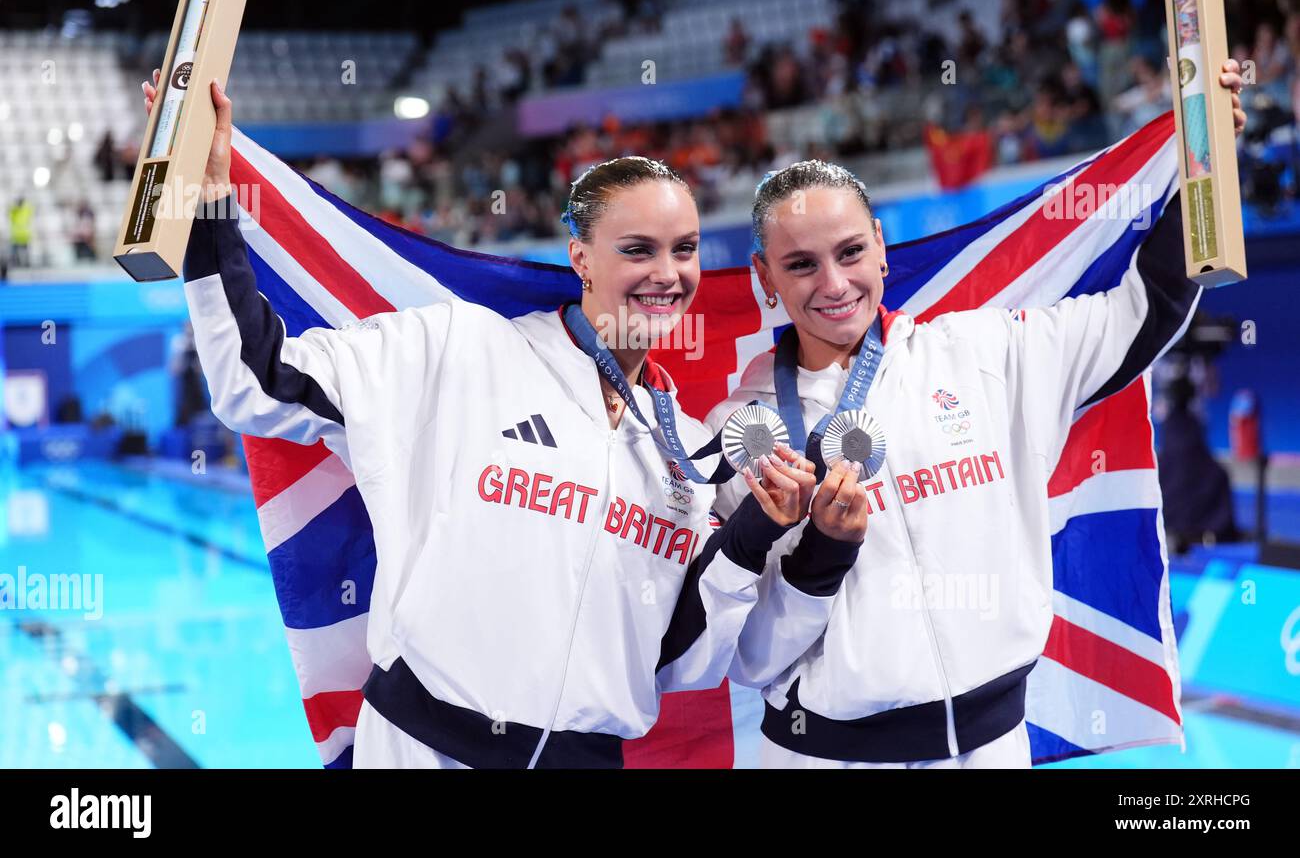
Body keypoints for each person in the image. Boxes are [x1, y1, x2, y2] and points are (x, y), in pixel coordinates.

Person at [142, 73, 866, 769]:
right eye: (636, 249)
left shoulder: (691, 450)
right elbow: (254, 383)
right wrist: (211, 206)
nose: (666, 273)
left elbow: (684, 659)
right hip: (422, 748)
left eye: (683, 250)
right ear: (579, 256)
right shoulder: (458, 351)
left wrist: (755, 532)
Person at [706, 60, 1248, 768]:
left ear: (879, 242)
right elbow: (749, 656)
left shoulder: (985, 352)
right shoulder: (743, 431)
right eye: (801, 265)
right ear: (763, 276)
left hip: (994, 746)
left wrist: (1206, 161)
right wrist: (823, 555)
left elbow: (1139, 312)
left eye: (849, 252)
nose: (834, 284)